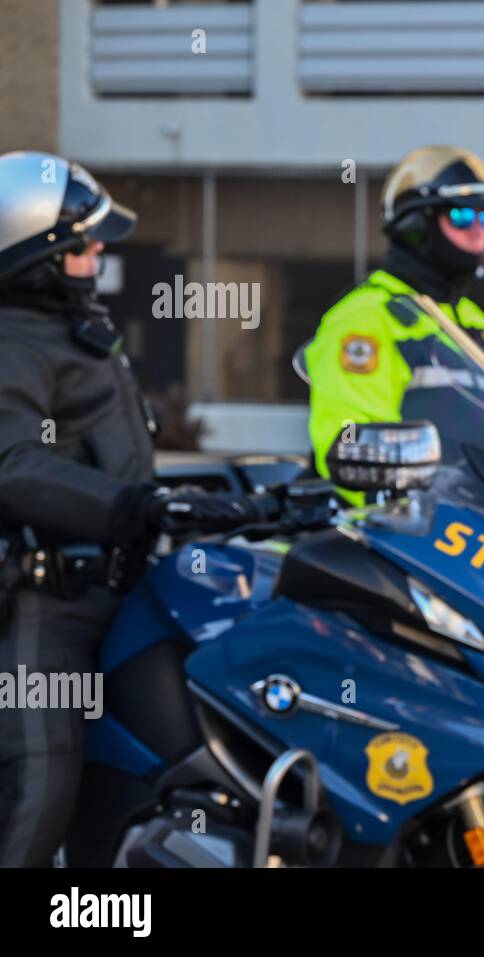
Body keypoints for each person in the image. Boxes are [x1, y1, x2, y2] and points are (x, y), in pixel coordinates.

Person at [0, 151, 270, 866]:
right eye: (86, 245)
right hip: (41, 609)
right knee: (37, 792)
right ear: (44, 255)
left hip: (117, 595)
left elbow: (123, 468)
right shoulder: (10, 343)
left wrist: (253, 497)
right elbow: (14, 468)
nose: (99, 257)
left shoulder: (74, 336)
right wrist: (137, 507)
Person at [305, 145, 484, 497]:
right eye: (463, 216)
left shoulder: (474, 322)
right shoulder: (367, 318)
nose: (478, 230)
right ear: (416, 223)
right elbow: (350, 448)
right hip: (406, 533)